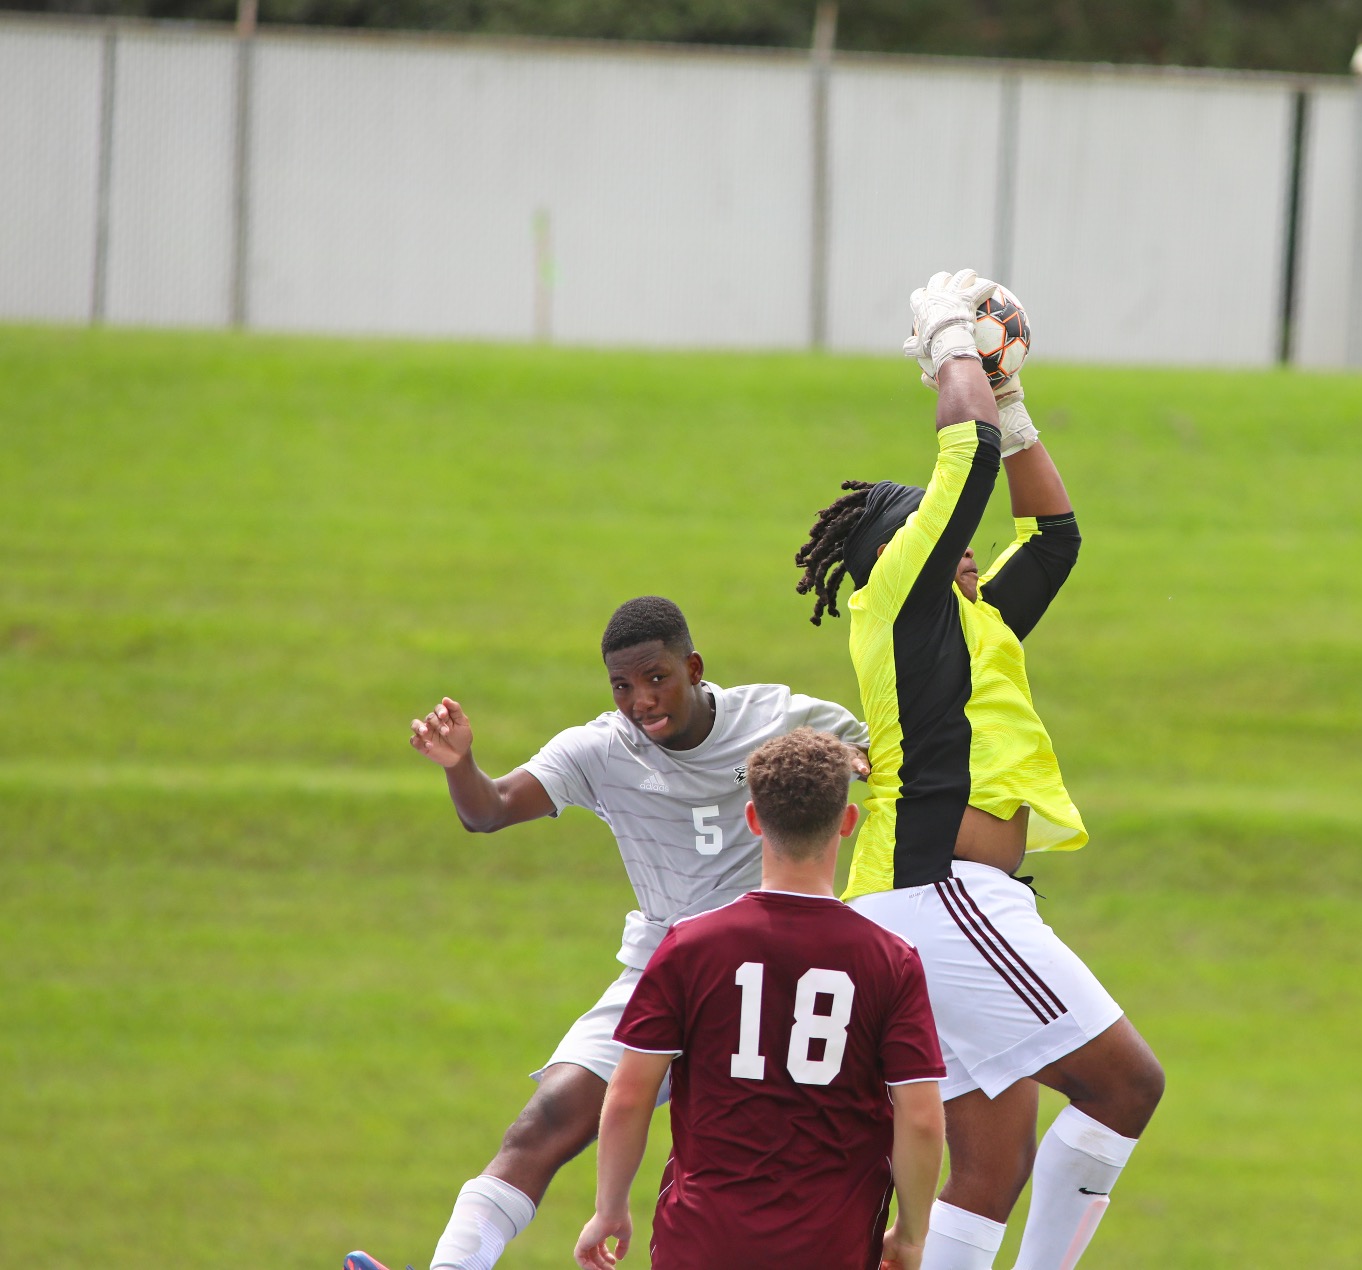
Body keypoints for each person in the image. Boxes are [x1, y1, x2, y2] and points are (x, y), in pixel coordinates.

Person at [792, 270, 1165, 1270]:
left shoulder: (974, 615)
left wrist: (1010, 401)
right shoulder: (895, 601)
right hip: (938, 895)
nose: (966, 546)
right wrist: (951, 341)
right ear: (897, 551)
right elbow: (965, 460)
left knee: (987, 1165)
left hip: (942, 900)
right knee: (1127, 1085)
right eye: (944, 534)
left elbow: (1053, 535)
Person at [345, 597, 867, 1270]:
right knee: (541, 1124)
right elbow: (491, 811)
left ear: (694, 667)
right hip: (661, 971)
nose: (641, 701)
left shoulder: (781, 717)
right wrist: (459, 767)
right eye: (622, 685)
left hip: (767, 981)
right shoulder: (600, 749)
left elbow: (888, 761)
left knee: (761, 1178)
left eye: (657, 678)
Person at [574, 727, 946, 1270]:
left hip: (701, 1242)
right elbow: (920, 1119)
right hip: (832, 1247)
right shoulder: (891, 959)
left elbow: (629, 1094)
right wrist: (910, 1237)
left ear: (753, 819)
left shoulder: (689, 946)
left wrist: (609, 1209)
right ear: (847, 823)